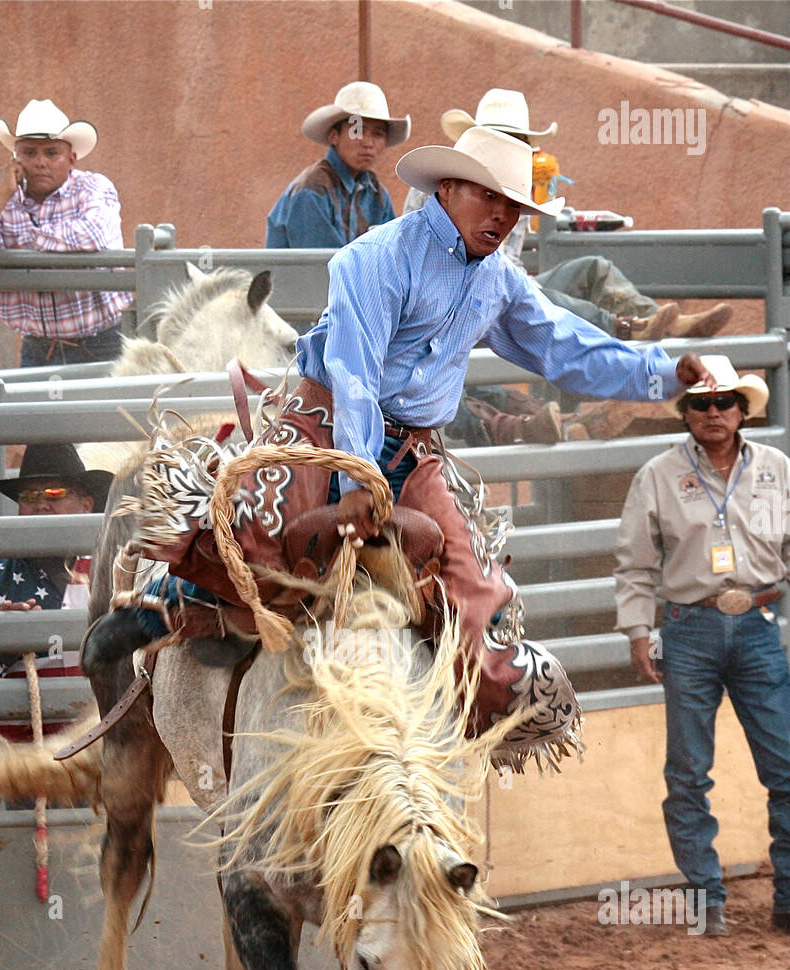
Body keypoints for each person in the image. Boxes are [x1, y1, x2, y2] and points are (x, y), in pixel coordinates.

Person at [88, 127, 715, 769]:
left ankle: (462, 732)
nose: (503, 215)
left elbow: (566, 347)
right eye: (488, 197)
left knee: (473, 597)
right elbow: (355, 372)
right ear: (447, 188)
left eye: (514, 206)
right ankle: (172, 605)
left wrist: (663, 374)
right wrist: (358, 474)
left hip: (413, 453)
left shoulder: (499, 280)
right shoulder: (374, 259)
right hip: (324, 425)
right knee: (257, 533)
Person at [614, 355, 790, 936]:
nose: (713, 413)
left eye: (723, 403)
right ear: (686, 413)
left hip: (760, 624)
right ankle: (704, 898)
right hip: (689, 628)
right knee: (688, 771)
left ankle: (787, 897)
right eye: (700, 404)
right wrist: (640, 631)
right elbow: (636, 562)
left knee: (786, 768)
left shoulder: (776, 469)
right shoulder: (657, 475)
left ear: (743, 412)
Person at [421, 89, 731, 342]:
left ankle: (666, 324)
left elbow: (509, 262)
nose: (512, 147)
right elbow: (429, 254)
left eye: (518, 140)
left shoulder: (516, 189)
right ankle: (628, 327)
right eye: (503, 138)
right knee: (549, 300)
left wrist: (519, 282)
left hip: (504, 283)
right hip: (459, 294)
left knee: (593, 269)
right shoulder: (443, 184)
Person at [0, 99, 132, 367]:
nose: (40, 162)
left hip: (103, 342)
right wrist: (3, 193)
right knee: (34, 410)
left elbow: (92, 234)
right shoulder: (1, 202)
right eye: (29, 153)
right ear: (15, 160)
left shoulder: (93, 188)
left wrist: (25, 240)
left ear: (71, 159)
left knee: (108, 410)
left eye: (52, 153)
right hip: (38, 348)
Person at [0, 444, 112, 740]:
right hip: (22, 761)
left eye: (55, 494)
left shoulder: (117, 571)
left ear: (87, 505)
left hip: (106, 745)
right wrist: (2, 647)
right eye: (29, 496)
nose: (41, 504)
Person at [266, 82, 409, 250]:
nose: (368, 143)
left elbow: (392, 251)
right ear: (334, 136)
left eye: (378, 134)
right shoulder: (312, 190)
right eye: (357, 131)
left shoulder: (377, 194)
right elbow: (319, 266)